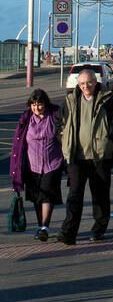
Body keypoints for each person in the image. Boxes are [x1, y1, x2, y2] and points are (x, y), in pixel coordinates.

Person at [55, 67, 113, 245]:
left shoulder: (110, 100)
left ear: (95, 82)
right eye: (81, 83)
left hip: (100, 156)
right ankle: (68, 232)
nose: (85, 86)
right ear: (77, 85)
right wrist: (63, 137)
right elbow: (59, 123)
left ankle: (99, 229)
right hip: (76, 157)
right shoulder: (70, 100)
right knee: (74, 196)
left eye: (88, 83)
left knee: (100, 195)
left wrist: (110, 132)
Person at [10, 89, 64, 240]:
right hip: (32, 165)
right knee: (36, 198)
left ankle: (45, 226)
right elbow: (17, 144)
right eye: (33, 104)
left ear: (45, 104)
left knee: (47, 195)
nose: (36, 107)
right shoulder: (26, 119)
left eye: (39, 104)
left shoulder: (54, 116)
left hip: (52, 163)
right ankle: (41, 226)